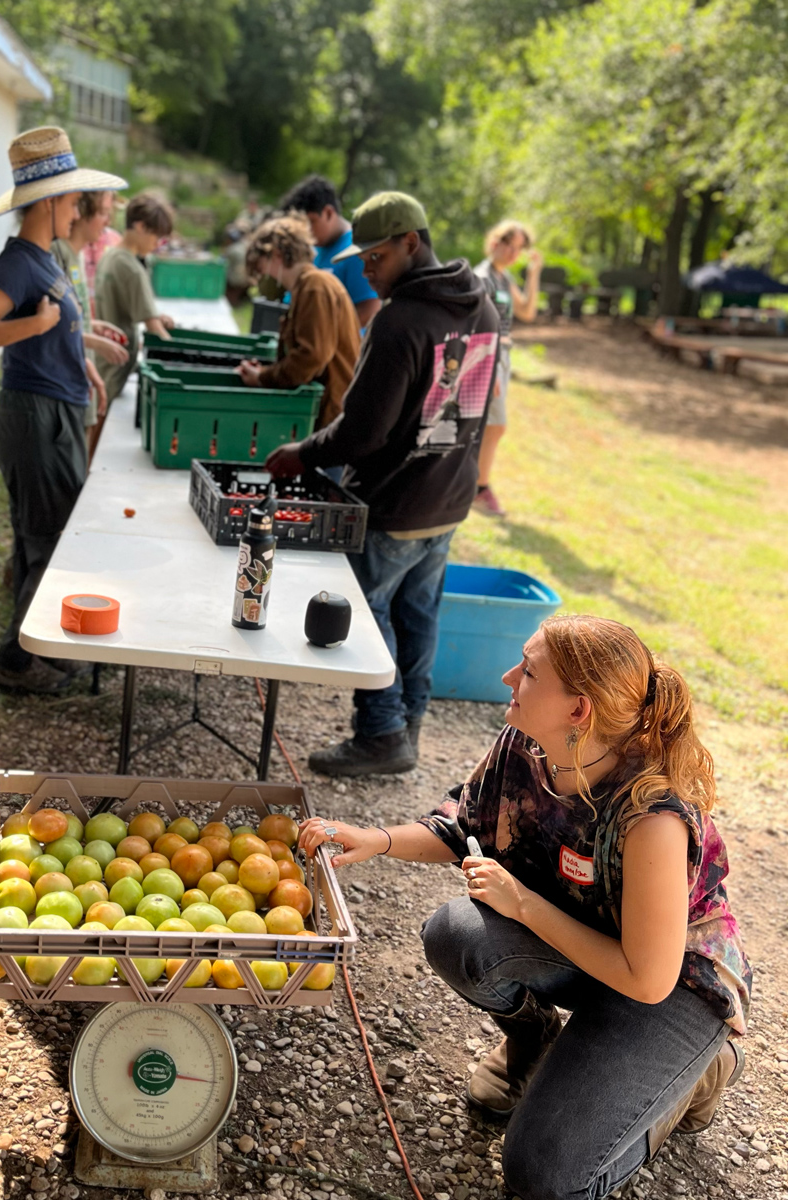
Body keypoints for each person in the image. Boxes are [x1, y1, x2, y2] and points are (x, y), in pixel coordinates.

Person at [300, 616, 750, 1200]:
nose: (509, 676)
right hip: (582, 946)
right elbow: (463, 825)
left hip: (670, 986)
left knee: (545, 1175)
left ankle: (696, 1072)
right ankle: (539, 1041)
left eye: (529, 671)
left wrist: (525, 905)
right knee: (456, 935)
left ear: (578, 710)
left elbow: (647, 977)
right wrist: (374, 838)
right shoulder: (527, 741)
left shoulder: (653, 816)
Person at [266, 192, 499, 777]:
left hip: (396, 502)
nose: (366, 272)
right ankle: (408, 723)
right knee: (419, 613)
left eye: (375, 259)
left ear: (410, 244)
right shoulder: (484, 308)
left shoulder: (401, 320)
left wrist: (303, 453)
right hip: (448, 496)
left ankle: (382, 733)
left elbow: (365, 430)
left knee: (371, 615)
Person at [0, 126, 126, 696]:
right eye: (74, 199)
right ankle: (21, 659)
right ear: (50, 200)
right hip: (34, 415)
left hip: (55, 410)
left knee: (49, 533)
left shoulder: (45, 257)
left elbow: (62, 331)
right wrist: (35, 325)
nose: (79, 209)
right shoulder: (20, 263)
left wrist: (83, 361)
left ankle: (38, 647)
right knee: (48, 538)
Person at [237, 213, 360, 430]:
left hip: (331, 418)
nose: (263, 275)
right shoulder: (304, 289)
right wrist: (269, 371)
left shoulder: (316, 286)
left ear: (276, 255)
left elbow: (312, 356)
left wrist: (263, 377)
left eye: (260, 267)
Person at [51, 192, 130, 457]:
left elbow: (71, 316)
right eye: (103, 213)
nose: (107, 222)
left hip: (82, 372)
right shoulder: (58, 253)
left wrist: (92, 325)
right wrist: (93, 341)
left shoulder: (78, 255)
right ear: (82, 213)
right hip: (65, 380)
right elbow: (49, 324)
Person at [472, 220, 542, 518]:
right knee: (495, 426)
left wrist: (534, 274)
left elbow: (527, 311)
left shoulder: (504, 278)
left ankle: (473, 485)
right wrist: (488, 368)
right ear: (495, 243)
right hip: (489, 355)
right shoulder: (483, 276)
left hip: (503, 355)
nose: (513, 253)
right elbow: (477, 324)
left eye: (518, 249)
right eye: (509, 246)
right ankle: (479, 489)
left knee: (489, 425)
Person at [94, 193, 177, 403]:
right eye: (157, 236)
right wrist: (179, 354)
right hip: (116, 367)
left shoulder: (110, 256)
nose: (157, 244)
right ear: (140, 227)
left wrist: (156, 316)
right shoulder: (132, 268)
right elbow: (153, 328)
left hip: (103, 361)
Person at [280, 174, 381, 329]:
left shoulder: (356, 251)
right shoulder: (314, 249)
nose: (305, 231)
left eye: (310, 222)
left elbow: (369, 310)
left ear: (328, 213)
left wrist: (323, 334)